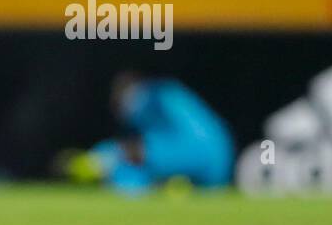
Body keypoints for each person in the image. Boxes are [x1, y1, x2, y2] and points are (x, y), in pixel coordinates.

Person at [62, 73, 234, 194]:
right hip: (219, 166)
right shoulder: (167, 94)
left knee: (123, 161)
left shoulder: (149, 97)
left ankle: (100, 163)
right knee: (131, 163)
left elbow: (143, 151)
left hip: (206, 156)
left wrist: (104, 157)